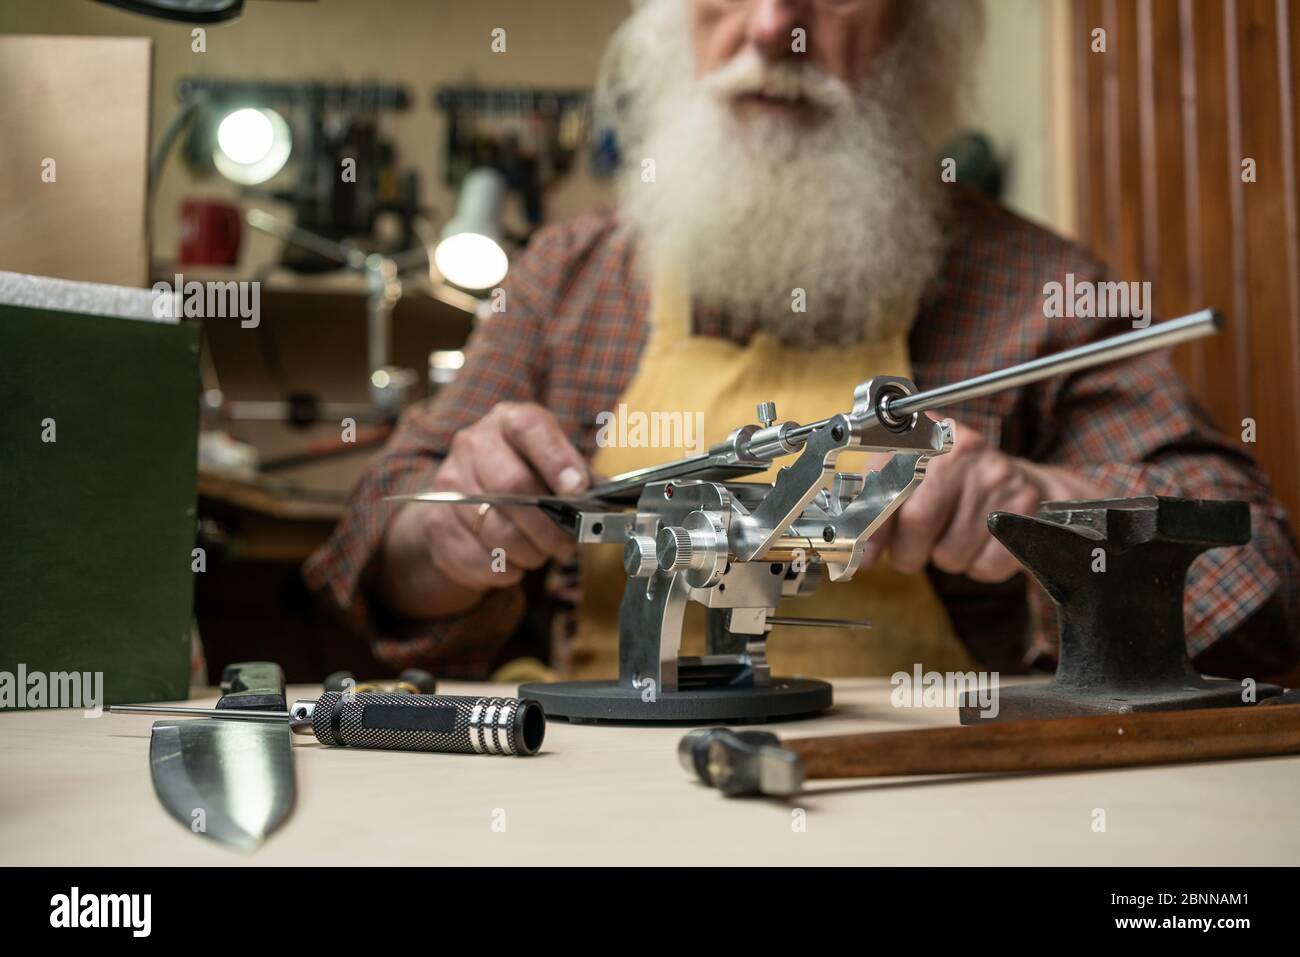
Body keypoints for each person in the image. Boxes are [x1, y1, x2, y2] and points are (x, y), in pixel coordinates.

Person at [304, 0, 1299, 682]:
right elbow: (365, 551)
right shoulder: (565, 276)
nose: (776, 22)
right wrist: (443, 531)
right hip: (601, 809)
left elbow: (1260, 591)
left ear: (916, 31)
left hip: (945, 811)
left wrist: (1052, 515)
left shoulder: (1043, 289)